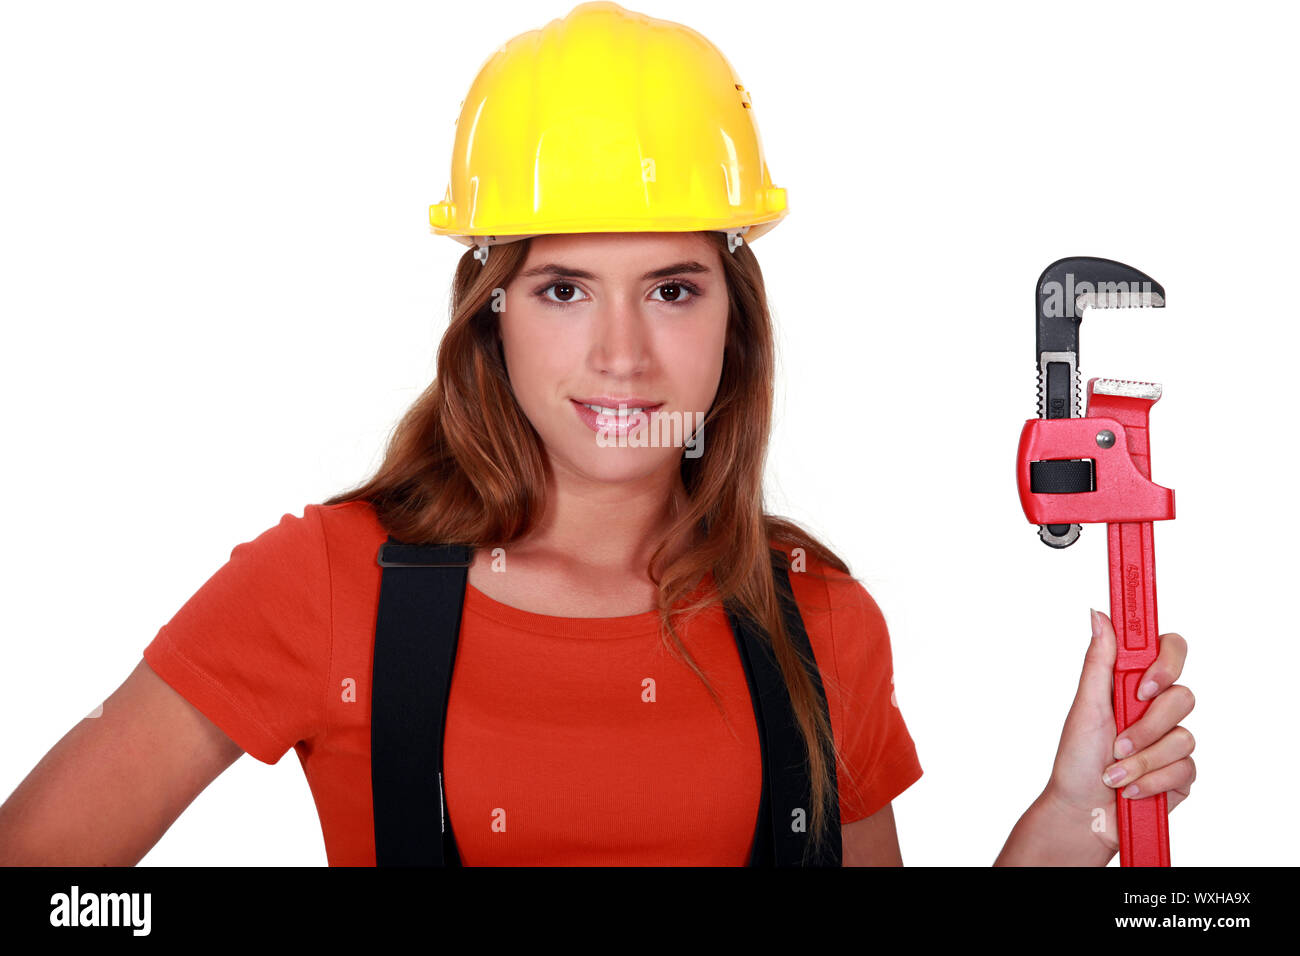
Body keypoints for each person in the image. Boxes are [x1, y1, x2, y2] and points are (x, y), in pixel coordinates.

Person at [0, 1, 1194, 867]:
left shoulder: (816, 621)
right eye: (565, 287)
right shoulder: (324, 585)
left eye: (673, 287)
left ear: (735, 321)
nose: (622, 354)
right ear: (493, 316)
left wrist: (1074, 813)